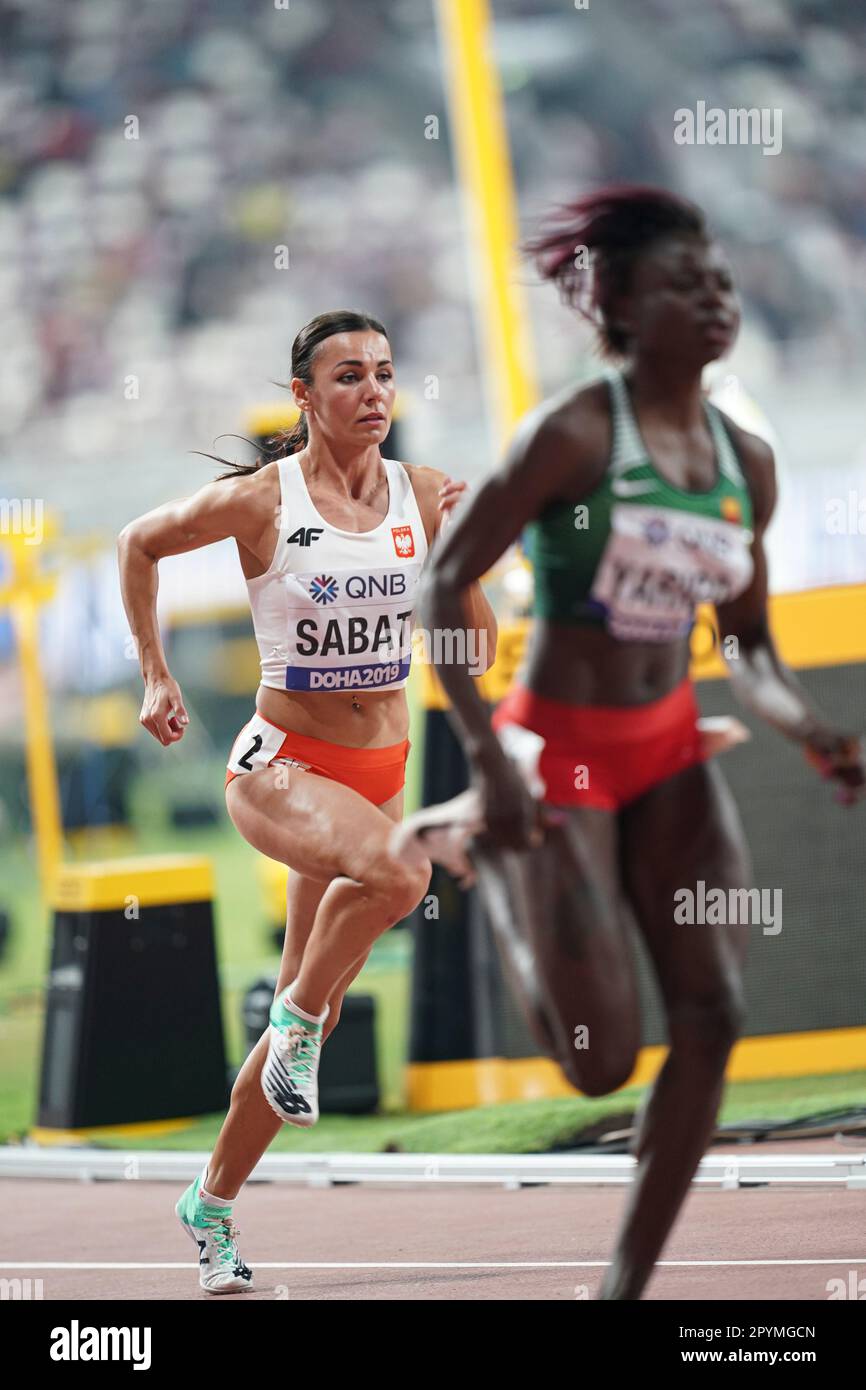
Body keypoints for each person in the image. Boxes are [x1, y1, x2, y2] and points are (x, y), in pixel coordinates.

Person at [401, 187, 865, 1300]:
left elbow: (746, 642)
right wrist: (480, 749)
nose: (711, 299)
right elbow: (442, 581)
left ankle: (619, 1288)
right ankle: (487, 839)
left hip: (663, 747)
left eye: (718, 282)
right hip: (552, 755)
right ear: (616, 303)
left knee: (712, 1013)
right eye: (680, 284)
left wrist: (813, 733)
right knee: (596, 1058)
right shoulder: (570, 433)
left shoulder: (741, 460)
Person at [117, 309, 497, 1293]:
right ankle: (292, 1017)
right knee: (401, 873)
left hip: (374, 779)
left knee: (317, 1028)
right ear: (303, 396)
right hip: (280, 771)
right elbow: (137, 543)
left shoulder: (421, 494)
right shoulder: (258, 503)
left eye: (382, 373)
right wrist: (155, 676)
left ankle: (208, 1204)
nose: (371, 391)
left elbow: (472, 645)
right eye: (345, 377)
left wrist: (464, 567)